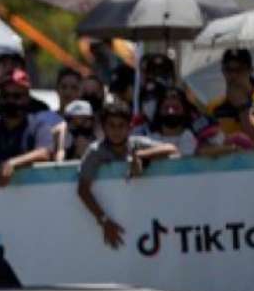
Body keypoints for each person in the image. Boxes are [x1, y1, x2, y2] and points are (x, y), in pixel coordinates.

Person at [76, 102, 179, 249]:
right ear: (103, 127)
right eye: (111, 125)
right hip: (115, 218)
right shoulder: (95, 152)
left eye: (121, 125)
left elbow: (171, 148)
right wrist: (104, 220)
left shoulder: (136, 144)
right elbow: (82, 190)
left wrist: (141, 155)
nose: (116, 130)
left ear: (129, 127)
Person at [0, 69, 60, 187]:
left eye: (17, 96)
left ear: (27, 98)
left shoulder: (39, 126)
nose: (10, 101)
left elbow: (44, 153)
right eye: (5, 96)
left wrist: (12, 163)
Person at [207, 48, 254, 148]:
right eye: (228, 70)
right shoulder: (214, 107)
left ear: (251, 71)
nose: (233, 75)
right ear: (223, 71)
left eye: (240, 69)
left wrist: (242, 108)